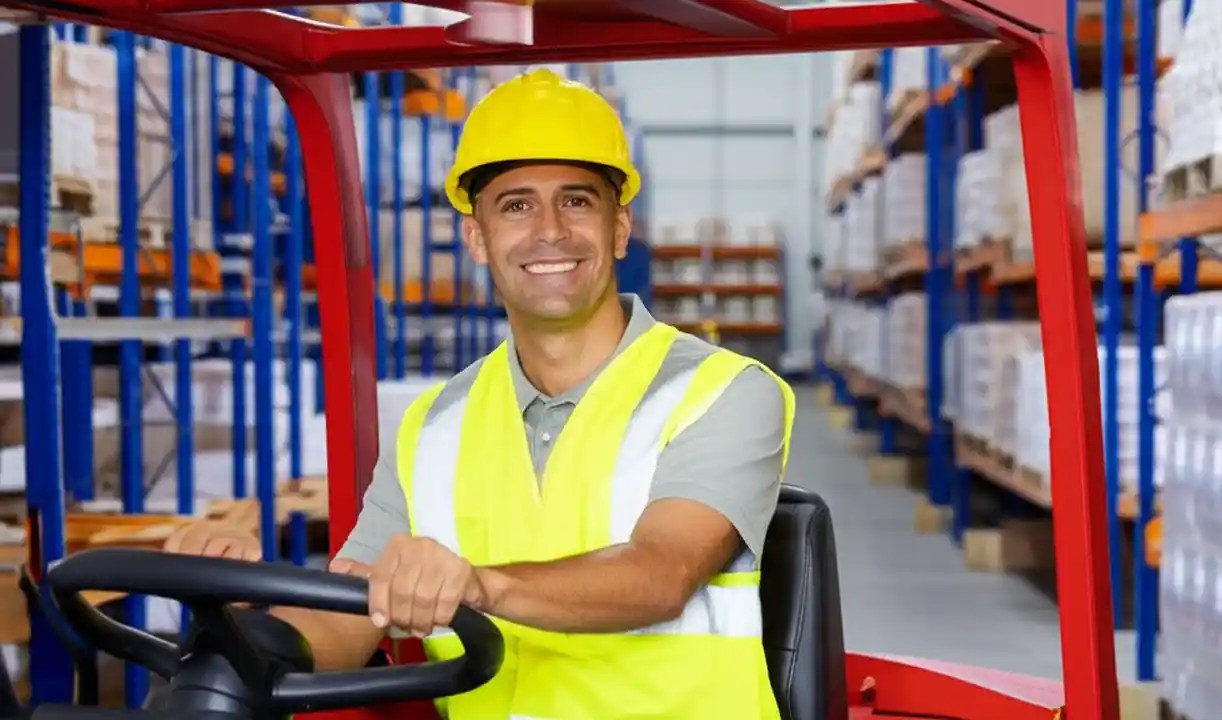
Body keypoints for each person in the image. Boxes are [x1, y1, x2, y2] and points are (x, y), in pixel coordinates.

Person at [165, 68, 796, 719]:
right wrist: (238, 627)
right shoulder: (432, 430)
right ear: (477, 236)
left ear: (619, 228)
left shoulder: (722, 394)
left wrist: (476, 584)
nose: (549, 229)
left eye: (577, 200)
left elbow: (663, 573)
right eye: (516, 205)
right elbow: (349, 615)